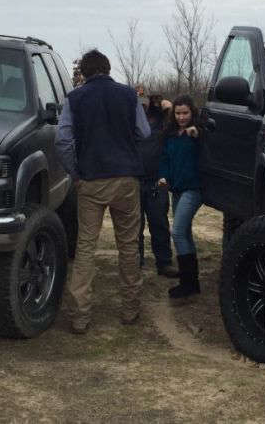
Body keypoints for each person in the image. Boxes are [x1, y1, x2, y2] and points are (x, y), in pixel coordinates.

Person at [54, 49, 151, 334]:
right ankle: (130, 309)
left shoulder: (75, 98)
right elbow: (144, 133)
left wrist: (76, 173)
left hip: (91, 179)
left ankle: (80, 316)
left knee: (85, 247)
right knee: (129, 245)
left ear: (83, 73)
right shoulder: (129, 95)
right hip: (126, 178)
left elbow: (62, 141)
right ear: (108, 69)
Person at [157, 95, 203, 300]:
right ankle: (192, 283)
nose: (182, 117)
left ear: (192, 113)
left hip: (193, 189)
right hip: (176, 189)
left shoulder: (196, 132)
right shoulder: (170, 135)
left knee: (177, 232)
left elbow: (209, 139)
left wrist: (199, 133)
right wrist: (163, 176)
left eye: (185, 113)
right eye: (178, 113)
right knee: (185, 233)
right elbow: (165, 159)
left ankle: (187, 283)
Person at [136, 87, 179, 278]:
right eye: (141, 105)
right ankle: (135, 263)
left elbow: (176, 115)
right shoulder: (130, 123)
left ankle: (164, 263)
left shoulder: (163, 122)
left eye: (147, 103)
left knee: (159, 223)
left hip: (156, 181)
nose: (145, 107)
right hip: (133, 181)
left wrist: (165, 105)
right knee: (134, 226)